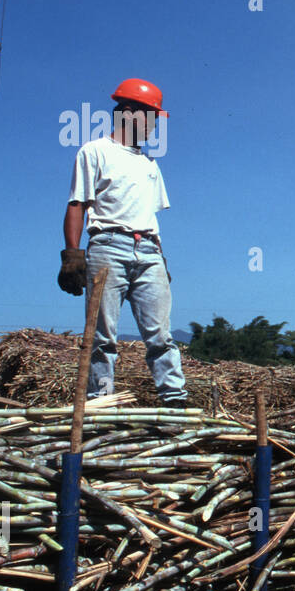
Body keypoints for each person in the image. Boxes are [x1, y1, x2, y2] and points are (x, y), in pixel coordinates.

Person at [57, 78, 187, 406]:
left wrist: (160, 258)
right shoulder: (95, 151)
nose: (155, 125)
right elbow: (77, 204)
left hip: (149, 251)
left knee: (161, 336)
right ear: (129, 113)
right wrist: (72, 254)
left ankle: (175, 403)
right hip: (107, 247)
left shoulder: (149, 165)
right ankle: (101, 403)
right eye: (151, 117)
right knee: (102, 336)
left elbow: (147, 217)